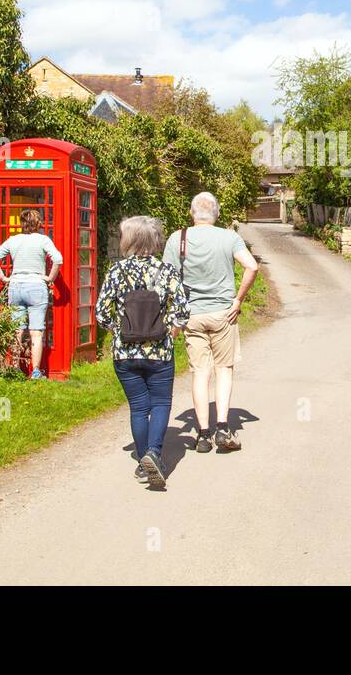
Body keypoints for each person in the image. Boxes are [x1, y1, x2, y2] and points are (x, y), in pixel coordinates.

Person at [96, 216, 189, 488]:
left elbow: (102, 314)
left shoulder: (116, 272)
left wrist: (118, 331)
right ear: (155, 240)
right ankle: (154, 453)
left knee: (138, 407)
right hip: (159, 352)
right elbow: (182, 311)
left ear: (128, 240)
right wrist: (170, 330)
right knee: (160, 403)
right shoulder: (167, 271)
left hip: (125, 354)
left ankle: (142, 463)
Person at [163, 192, 258, 453]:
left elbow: (167, 278)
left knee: (200, 373)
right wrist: (238, 300)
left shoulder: (177, 238)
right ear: (216, 213)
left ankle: (203, 434)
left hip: (192, 315)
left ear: (192, 213)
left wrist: (175, 314)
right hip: (223, 314)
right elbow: (252, 267)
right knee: (224, 370)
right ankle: (223, 427)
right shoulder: (229, 237)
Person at [0, 209, 62, 379]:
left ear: (22, 223)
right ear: (38, 223)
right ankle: (35, 371)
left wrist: (4, 278)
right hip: (36, 286)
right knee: (36, 331)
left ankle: (14, 368)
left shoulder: (13, 240)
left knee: (17, 330)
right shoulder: (43, 240)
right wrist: (50, 277)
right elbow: (58, 259)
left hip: (16, 286)